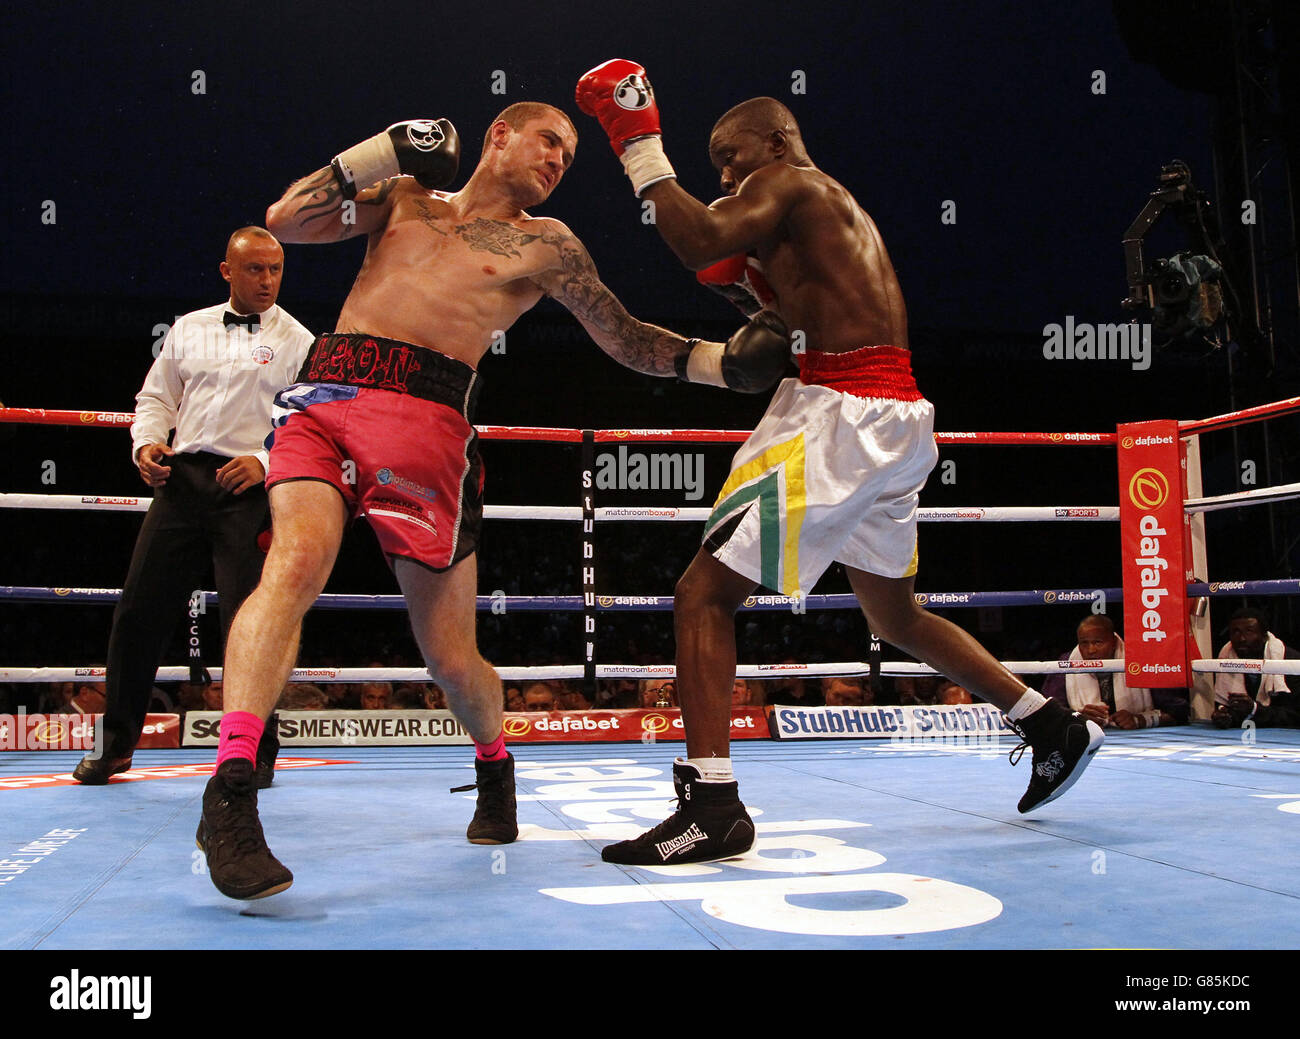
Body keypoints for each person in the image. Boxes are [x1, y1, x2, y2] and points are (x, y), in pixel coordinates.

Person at [197, 103, 738, 900]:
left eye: (571, 152)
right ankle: (231, 790)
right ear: (499, 135)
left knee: (449, 659)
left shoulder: (546, 243)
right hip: (325, 391)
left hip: (427, 422)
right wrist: (379, 148)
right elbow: (288, 218)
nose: (559, 159)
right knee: (292, 566)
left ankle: (494, 764)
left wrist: (718, 365)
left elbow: (620, 334)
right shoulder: (406, 195)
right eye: (549, 140)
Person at [577, 63, 1105, 865]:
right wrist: (747, 296)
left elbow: (699, 236)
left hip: (840, 413)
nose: (724, 173)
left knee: (701, 594)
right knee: (895, 616)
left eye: (732, 154)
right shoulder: (815, 218)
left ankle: (712, 803)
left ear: (779, 140)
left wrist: (636, 141)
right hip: (894, 414)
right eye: (714, 163)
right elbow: (764, 303)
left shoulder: (791, 181)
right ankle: (1049, 722)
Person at [74, 228, 312, 789]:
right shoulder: (189, 328)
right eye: (255, 269)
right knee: (139, 612)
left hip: (248, 491)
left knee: (249, 624)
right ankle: (116, 747)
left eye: (276, 269)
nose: (267, 281)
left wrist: (261, 460)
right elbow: (156, 397)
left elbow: (306, 421)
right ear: (227, 271)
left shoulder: (298, 340)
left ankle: (256, 751)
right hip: (181, 483)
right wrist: (146, 443)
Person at [1042, 615, 1187, 729]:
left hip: (1142, 742)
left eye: (1098, 642)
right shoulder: (1067, 662)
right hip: (1087, 740)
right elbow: (1048, 712)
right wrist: (1077, 716)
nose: (1090, 650)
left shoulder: (1141, 661)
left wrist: (1141, 719)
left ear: (1113, 642)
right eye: (1084, 643)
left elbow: (1178, 712)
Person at [1211, 608, 1300, 729]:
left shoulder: (1290, 661)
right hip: (1244, 736)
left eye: (1249, 631)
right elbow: (1226, 703)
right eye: (1236, 632)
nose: (1241, 638)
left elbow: (1294, 714)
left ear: (1264, 636)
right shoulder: (1225, 658)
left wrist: (1255, 709)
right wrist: (1226, 716)